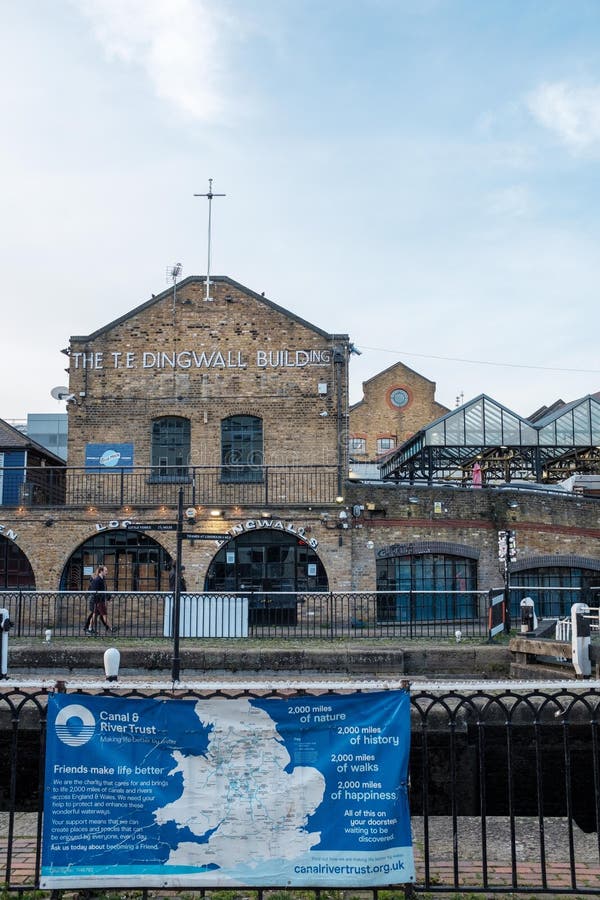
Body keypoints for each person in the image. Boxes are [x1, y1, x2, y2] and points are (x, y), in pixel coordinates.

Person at [84, 565, 118, 634]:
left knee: (94, 615)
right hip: (98, 601)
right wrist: (100, 599)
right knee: (104, 615)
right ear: (101, 571)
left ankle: (90, 628)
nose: (107, 572)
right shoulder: (97, 580)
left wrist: (108, 597)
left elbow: (103, 590)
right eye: (105, 571)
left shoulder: (102, 579)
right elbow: (94, 591)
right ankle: (111, 628)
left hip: (99, 601)